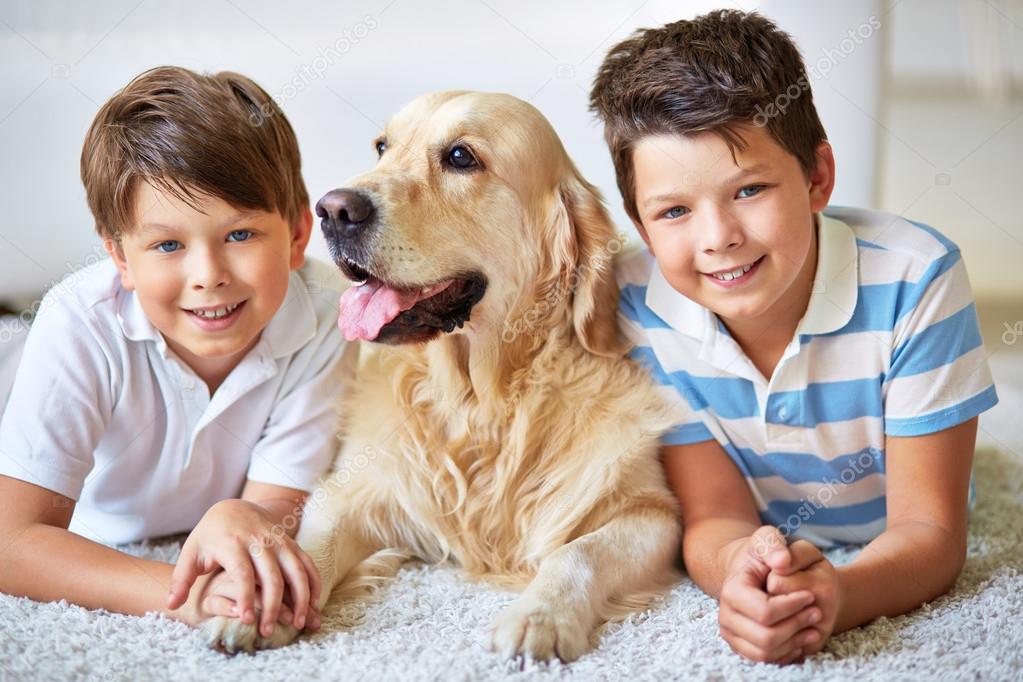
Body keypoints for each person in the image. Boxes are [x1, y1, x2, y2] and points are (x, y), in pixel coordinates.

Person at [590, 10, 998, 664]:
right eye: (673, 211)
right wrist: (738, 572)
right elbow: (713, 513)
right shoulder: (638, 305)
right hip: (760, 537)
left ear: (816, 178)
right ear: (641, 226)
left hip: (887, 525)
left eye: (748, 189)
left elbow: (930, 531)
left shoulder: (915, 277)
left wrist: (835, 595)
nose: (718, 236)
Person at [0, 66, 353, 640]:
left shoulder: (324, 314)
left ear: (296, 236)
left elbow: (279, 503)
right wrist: (182, 596)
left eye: (239, 235)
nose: (208, 276)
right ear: (120, 256)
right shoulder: (81, 322)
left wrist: (243, 517)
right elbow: (12, 543)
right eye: (167, 244)